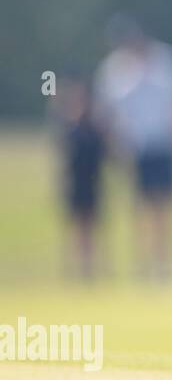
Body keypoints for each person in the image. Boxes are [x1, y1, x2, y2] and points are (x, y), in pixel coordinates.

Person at [93, 16, 172, 280]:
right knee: (140, 209)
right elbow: (107, 115)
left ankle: (166, 264)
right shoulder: (113, 71)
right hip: (134, 151)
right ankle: (144, 265)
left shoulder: (167, 62)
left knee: (165, 208)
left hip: (163, 146)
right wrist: (114, 148)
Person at [53, 79, 106, 281]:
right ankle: (72, 271)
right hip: (75, 184)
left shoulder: (95, 128)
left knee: (94, 227)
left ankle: (93, 270)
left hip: (93, 183)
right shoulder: (69, 128)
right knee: (74, 228)